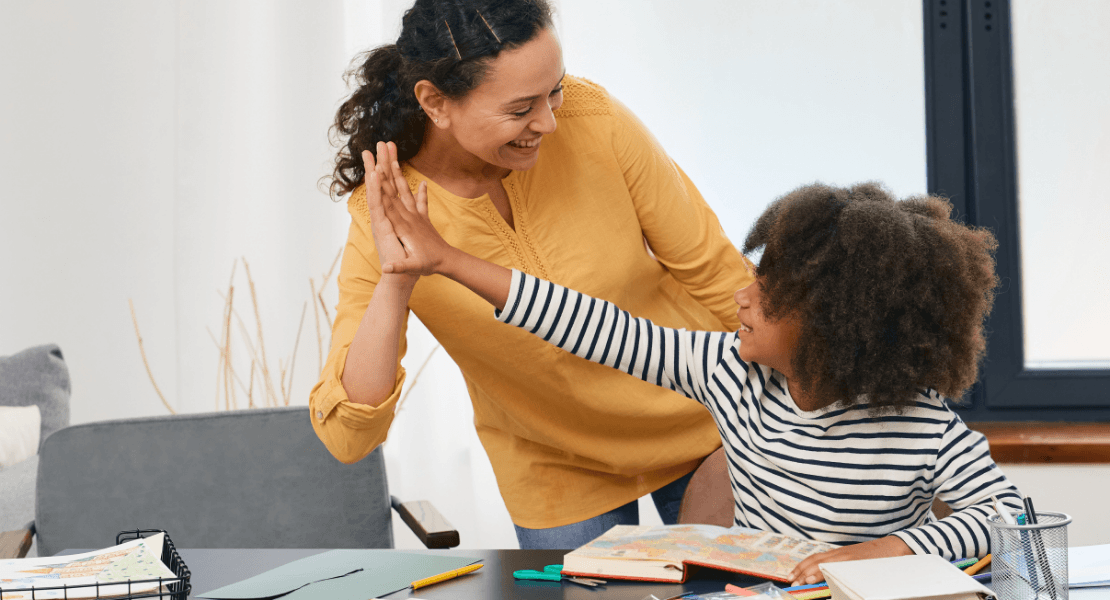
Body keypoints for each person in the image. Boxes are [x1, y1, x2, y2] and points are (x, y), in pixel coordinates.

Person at [364, 172, 1024, 585]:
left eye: (769, 290)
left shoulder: (918, 422)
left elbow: (1009, 516)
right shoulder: (731, 373)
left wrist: (882, 550)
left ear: (835, 323)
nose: (743, 295)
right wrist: (446, 260)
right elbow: (594, 326)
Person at [310, 0, 753, 549]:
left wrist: (796, 405)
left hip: (706, 422)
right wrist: (396, 280)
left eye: (555, 91)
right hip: (556, 467)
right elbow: (348, 435)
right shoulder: (386, 211)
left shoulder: (594, 120)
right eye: (521, 108)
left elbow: (717, 273)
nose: (548, 122)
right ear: (435, 102)